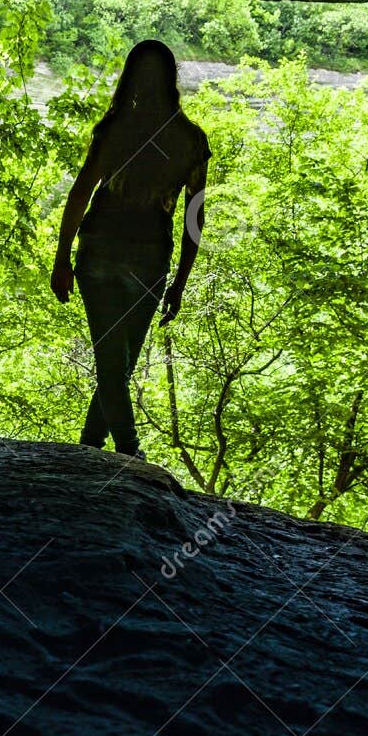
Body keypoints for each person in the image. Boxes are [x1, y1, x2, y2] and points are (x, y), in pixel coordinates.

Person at [50, 40, 211, 460]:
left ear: (130, 80)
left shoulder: (114, 131)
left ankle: (92, 448)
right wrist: (180, 282)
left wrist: (62, 257)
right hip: (151, 258)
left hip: (100, 249)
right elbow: (195, 217)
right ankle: (128, 454)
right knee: (115, 367)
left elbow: (81, 192)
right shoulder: (191, 140)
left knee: (112, 366)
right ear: (171, 81)